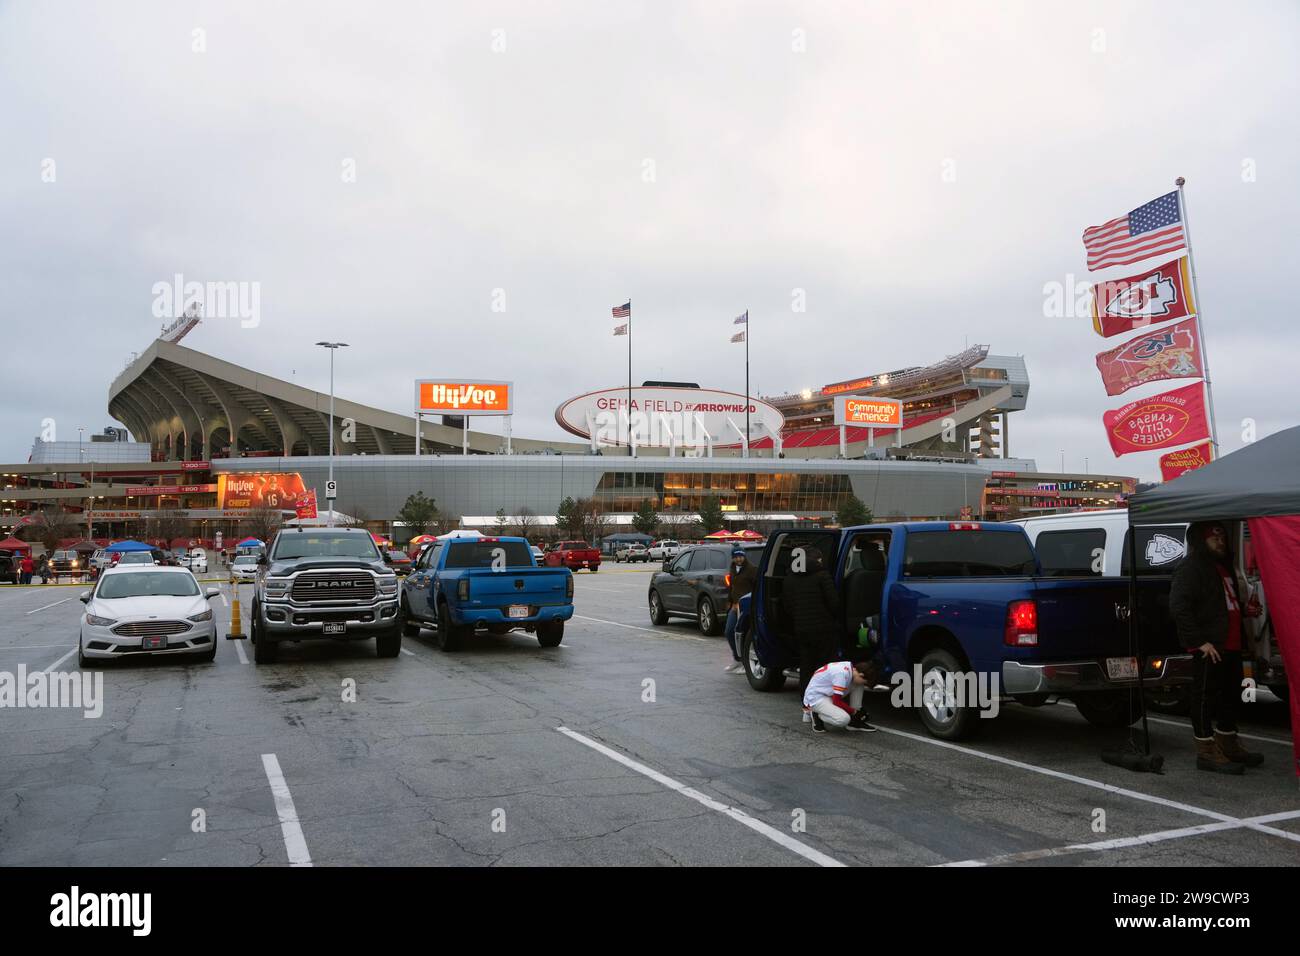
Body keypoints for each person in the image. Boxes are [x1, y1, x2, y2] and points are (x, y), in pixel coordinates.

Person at [1170, 521, 1264, 774]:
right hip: (1208, 646)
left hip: (1230, 643)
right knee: (1204, 697)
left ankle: (1228, 741)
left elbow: (1219, 606)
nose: (1221, 542)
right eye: (1215, 539)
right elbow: (1179, 606)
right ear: (1201, 541)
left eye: (1222, 538)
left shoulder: (1222, 567)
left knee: (1231, 695)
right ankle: (1206, 749)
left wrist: (1246, 611)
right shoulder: (1190, 568)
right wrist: (1199, 642)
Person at [781, 546, 841, 720]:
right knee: (824, 670)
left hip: (802, 630)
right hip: (824, 630)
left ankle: (807, 709)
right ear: (817, 560)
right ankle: (823, 707)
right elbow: (834, 604)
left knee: (806, 669)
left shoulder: (790, 579)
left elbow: (787, 606)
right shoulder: (822, 575)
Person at [804, 660, 878, 733]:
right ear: (861, 674)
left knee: (858, 684)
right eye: (865, 682)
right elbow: (837, 701)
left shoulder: (850, 668)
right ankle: (816, 713)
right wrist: (854, 712)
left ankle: (854, 722)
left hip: (826, 692)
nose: (864, 684)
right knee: (844, 719)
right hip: (816, 698)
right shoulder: (842, 674)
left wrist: (856, 711)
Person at [723, 548, 758, 673]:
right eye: (736, 557)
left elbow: (757, 588)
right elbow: (732, 587)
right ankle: (737, 659)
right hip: (734, 606)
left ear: (744, 556)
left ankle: (745, 662)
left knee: (742, 635)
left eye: (741, 556)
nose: (738, 559)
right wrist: (730, 601)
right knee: (729, 631)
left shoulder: (752, 570)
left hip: (746, 608)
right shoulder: (733, 569)